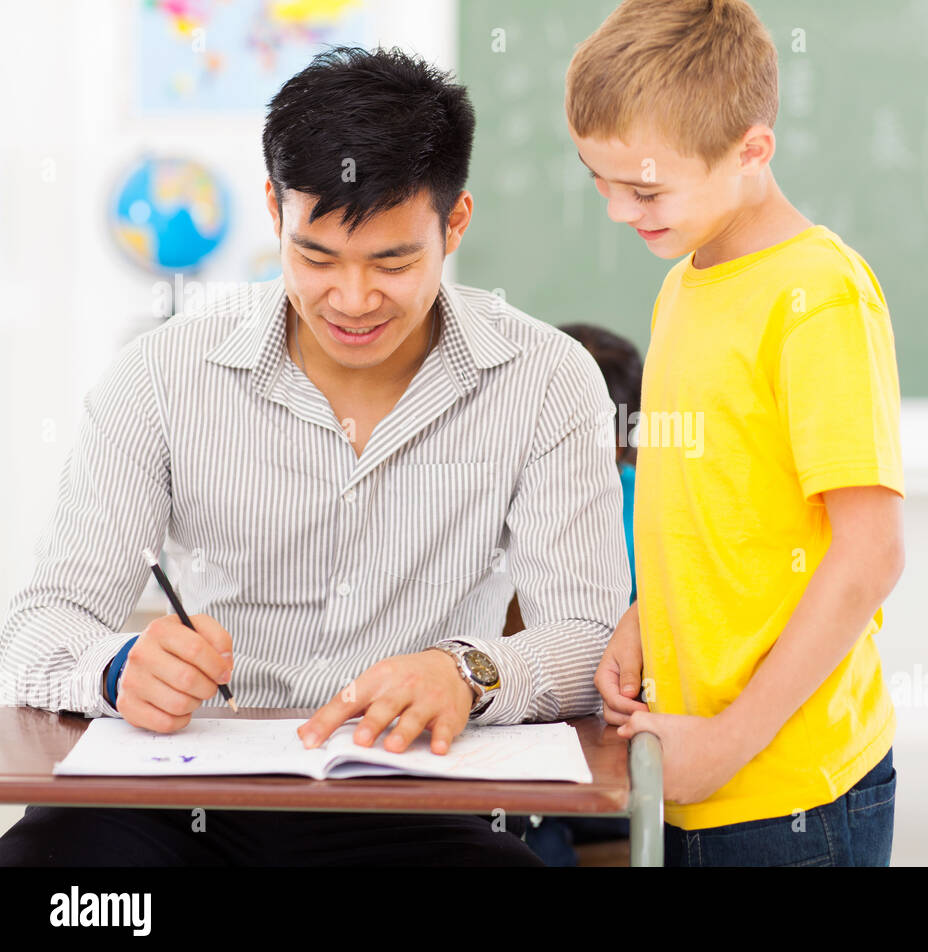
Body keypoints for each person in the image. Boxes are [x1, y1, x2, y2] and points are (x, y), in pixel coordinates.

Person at [0, 46, 629, 867]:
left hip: (412, 802)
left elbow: (592, 638)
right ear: (274, 209)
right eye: (318, 257)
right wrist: (114, 668)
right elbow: (36, 630)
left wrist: (469, 671)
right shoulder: (160, 376)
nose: (354, 299)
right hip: (178, 798)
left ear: (457, 222)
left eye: (394, 261)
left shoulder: (546, 380)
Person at [566, 0, 907, 866]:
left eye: (644, 190)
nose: (617, 210)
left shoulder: (817, 297)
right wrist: (648, 617)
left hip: (789, 791)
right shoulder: (684, 280)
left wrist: (729, 741)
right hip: (691, 770)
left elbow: (870, 554)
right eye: (597, 180)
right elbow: (717, 504)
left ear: (751, 151)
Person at [517, 324, 641, 865]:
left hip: (592, 741)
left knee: (531, 826)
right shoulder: (645, 490)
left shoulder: (637, 500)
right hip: (588, 739)